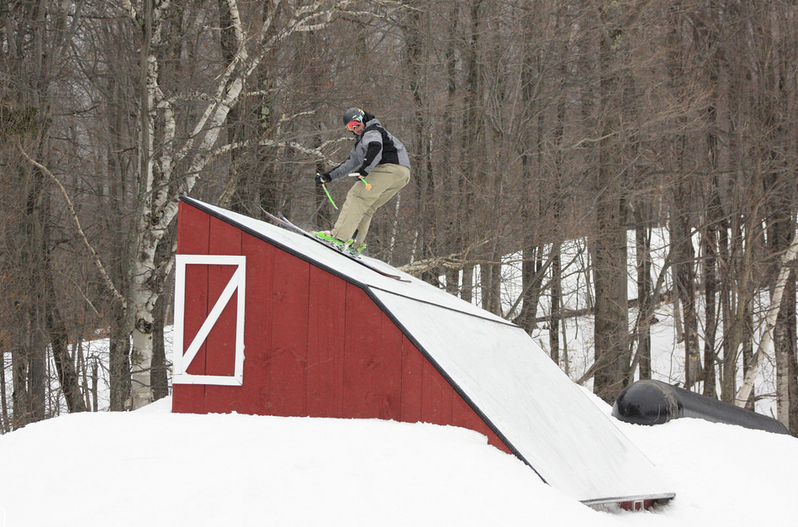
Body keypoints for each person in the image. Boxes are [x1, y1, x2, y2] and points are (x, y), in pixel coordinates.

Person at [313, 108, 411, 254]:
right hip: (402, 174)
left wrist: (364, 169)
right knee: (367, 206)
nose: (355, 129)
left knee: (357, 197)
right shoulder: (361, 143)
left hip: (389, 167)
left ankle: (338, 237)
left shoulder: (372, 131)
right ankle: (356, 244)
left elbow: (375, 148)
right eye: (350, 127)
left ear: (363, 119)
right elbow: (349, 163)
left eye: (356, 124)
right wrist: (328, 176)